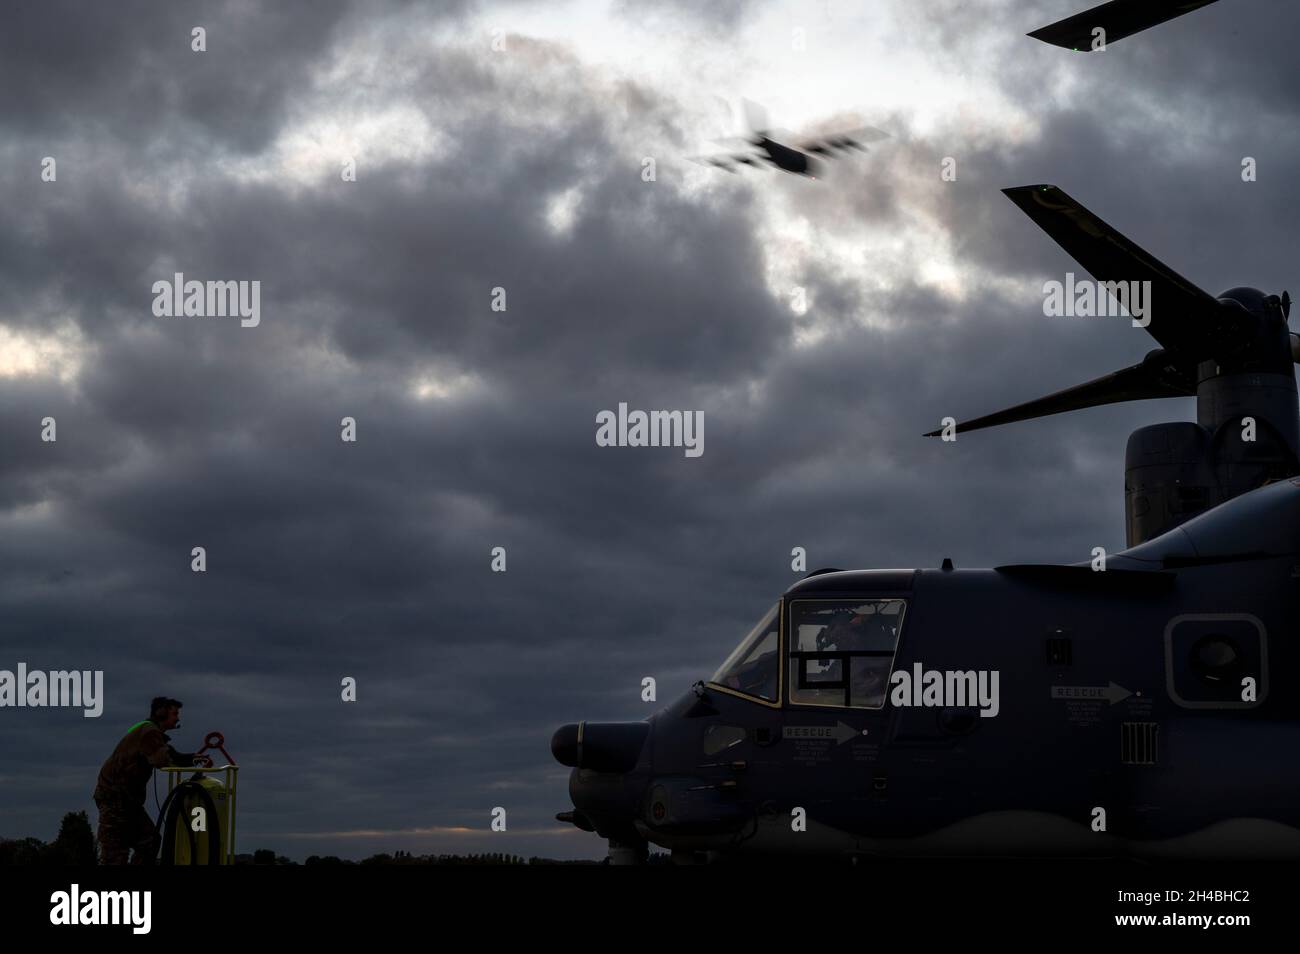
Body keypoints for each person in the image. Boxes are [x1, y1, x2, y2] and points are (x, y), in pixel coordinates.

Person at [93, 697, 198, 864]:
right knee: (115, 852)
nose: (178, 718)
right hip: (115, 798)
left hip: (127, 800)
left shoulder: (149, 732)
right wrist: (190, 760)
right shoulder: (149, 732)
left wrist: (194, 759)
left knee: (149, 841)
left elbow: (170, 755)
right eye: (175, 714)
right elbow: (162, 760)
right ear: (162, 713)